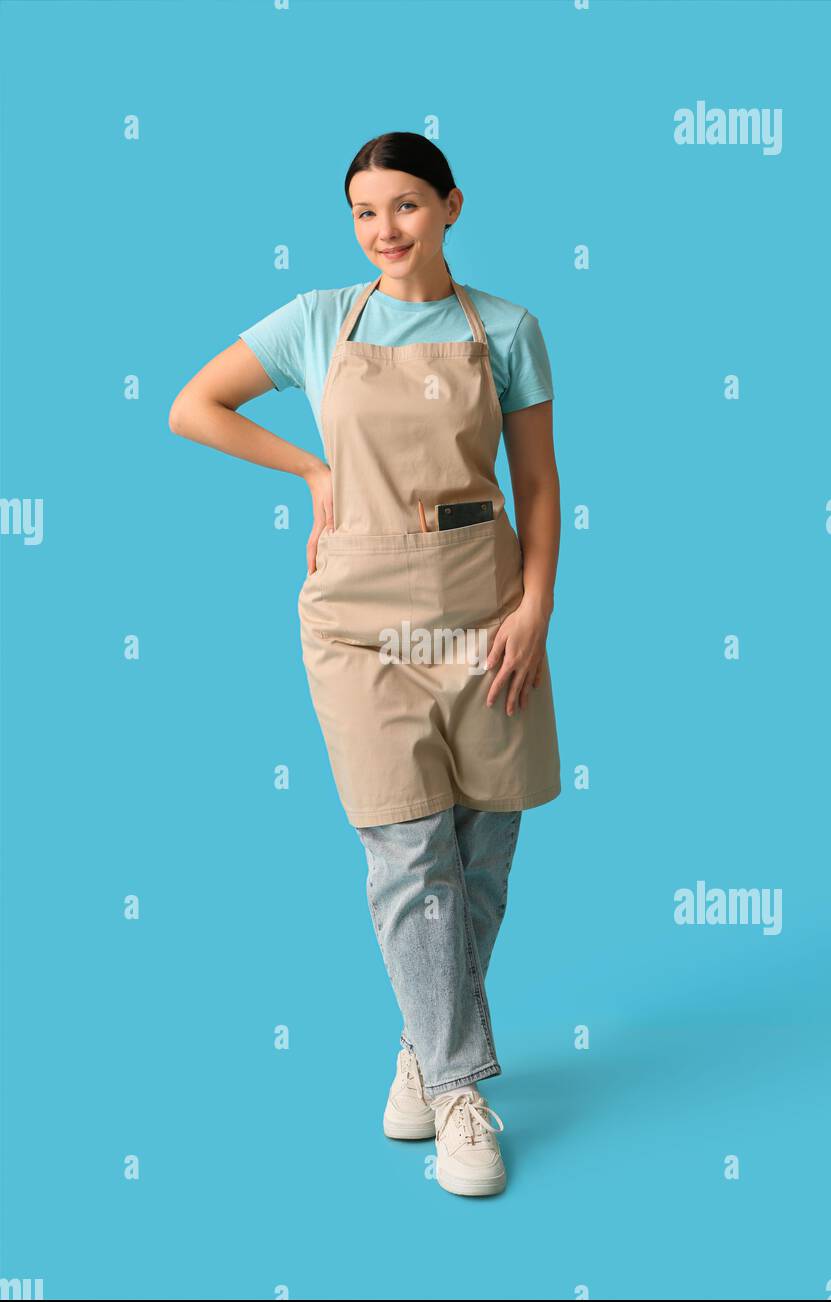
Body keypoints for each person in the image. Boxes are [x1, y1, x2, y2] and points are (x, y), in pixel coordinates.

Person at [169, 131, 561, 1199]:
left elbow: (537, 486)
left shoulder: (509, 329)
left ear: (450, 206)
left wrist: (534, 608)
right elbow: (190, 405)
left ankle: (421, 1044)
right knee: (406, 858)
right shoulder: (314, 322)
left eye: (404, 206)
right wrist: (309, 466)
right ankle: (460, 1093)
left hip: (482, 619)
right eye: (362, 212)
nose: (383, 230)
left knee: (483, 853)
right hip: (359, 627)